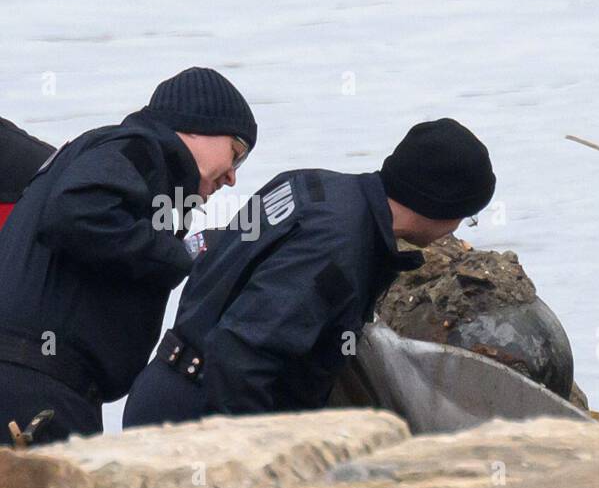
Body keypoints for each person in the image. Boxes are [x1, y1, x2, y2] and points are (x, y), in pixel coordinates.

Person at [123, 119, 494, 426]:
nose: (459, 228)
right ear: (441, 206)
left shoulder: (310, 185)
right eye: (467, 216)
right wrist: (262, 458)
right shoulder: (338, 247)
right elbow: (242, 351)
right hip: (199, 423)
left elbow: (219, 270)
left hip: (167, 389)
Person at [0, 68, 256, 443]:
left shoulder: (110, 158)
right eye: (236, 153)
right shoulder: (141, 147)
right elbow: (76, 213)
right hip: (36, 391)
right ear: (196, 126)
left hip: (44, 389)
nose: (232, 176)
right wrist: (181, 251)